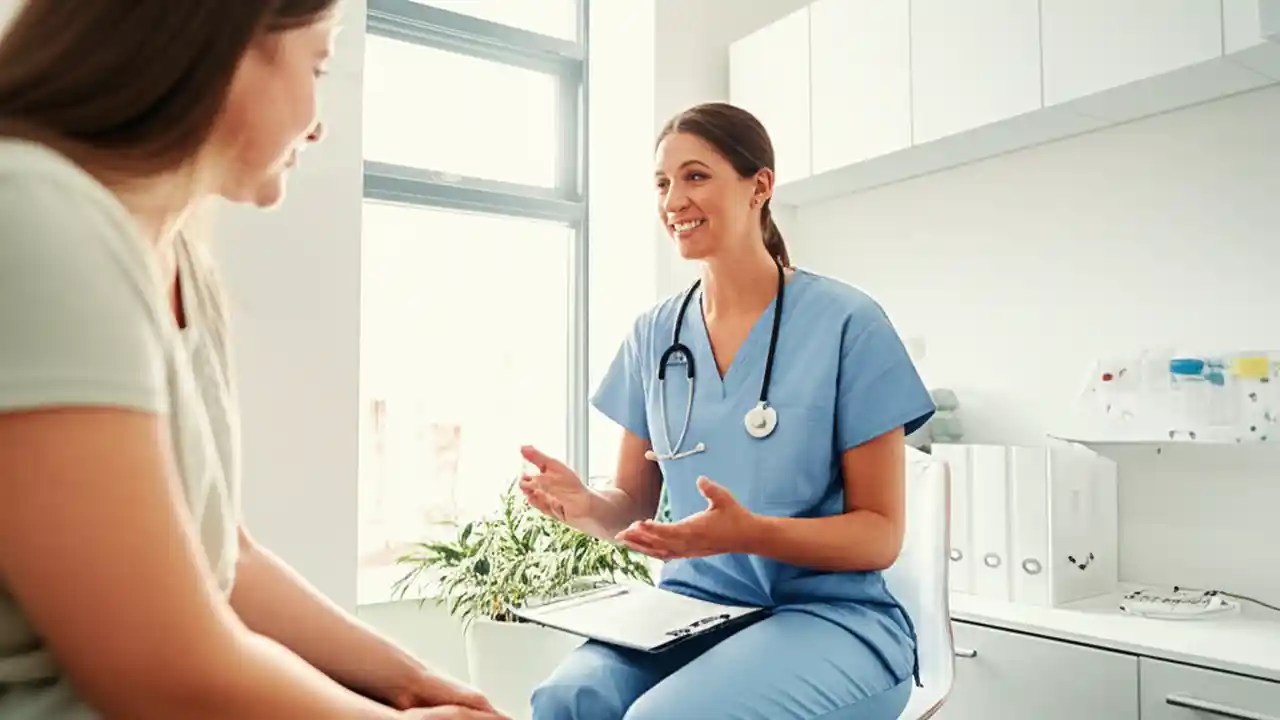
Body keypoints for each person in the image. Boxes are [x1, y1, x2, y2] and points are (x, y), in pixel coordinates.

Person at [0, 3, 507, 719]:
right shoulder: (34, 216)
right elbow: (162, 669)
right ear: (226, 47)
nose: (320, 121)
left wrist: (411, 678)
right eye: (318, 64)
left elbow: (223, 563)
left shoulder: (183, 269)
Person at [518, 102, 936, 720]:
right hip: (695, 608)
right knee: (567, 701)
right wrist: (585, 506)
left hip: (830, 618)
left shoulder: (848, 323)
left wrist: (752, 533)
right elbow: (632, 505)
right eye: (662, 183)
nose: (672, 200)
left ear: (758, 187)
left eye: (695, 176)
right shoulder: (654, 334)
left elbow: (880, 536)